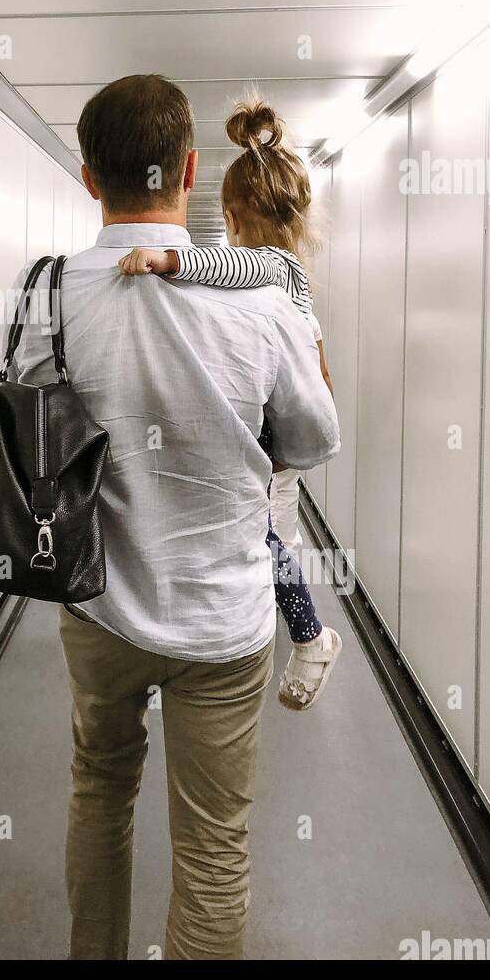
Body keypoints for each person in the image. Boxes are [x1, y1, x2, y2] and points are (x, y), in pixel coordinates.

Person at [5, 75, 339, 960]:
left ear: (87, 176)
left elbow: (34, 433)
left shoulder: (47, 295)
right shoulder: (264, 299)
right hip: (223, 624)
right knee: (212, 849)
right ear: (188, 172)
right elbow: (311, 441)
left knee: (100, 793)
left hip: (99, 606)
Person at [116, 100, 341, 712]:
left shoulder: (267, 266)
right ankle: (299, 635)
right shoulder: (294, 273)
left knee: (266, 546)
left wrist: (171, 260)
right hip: (281, 445)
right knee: (273, 545)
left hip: (270, 449)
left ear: (231, 213)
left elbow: (229, 265)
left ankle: (310, 636)